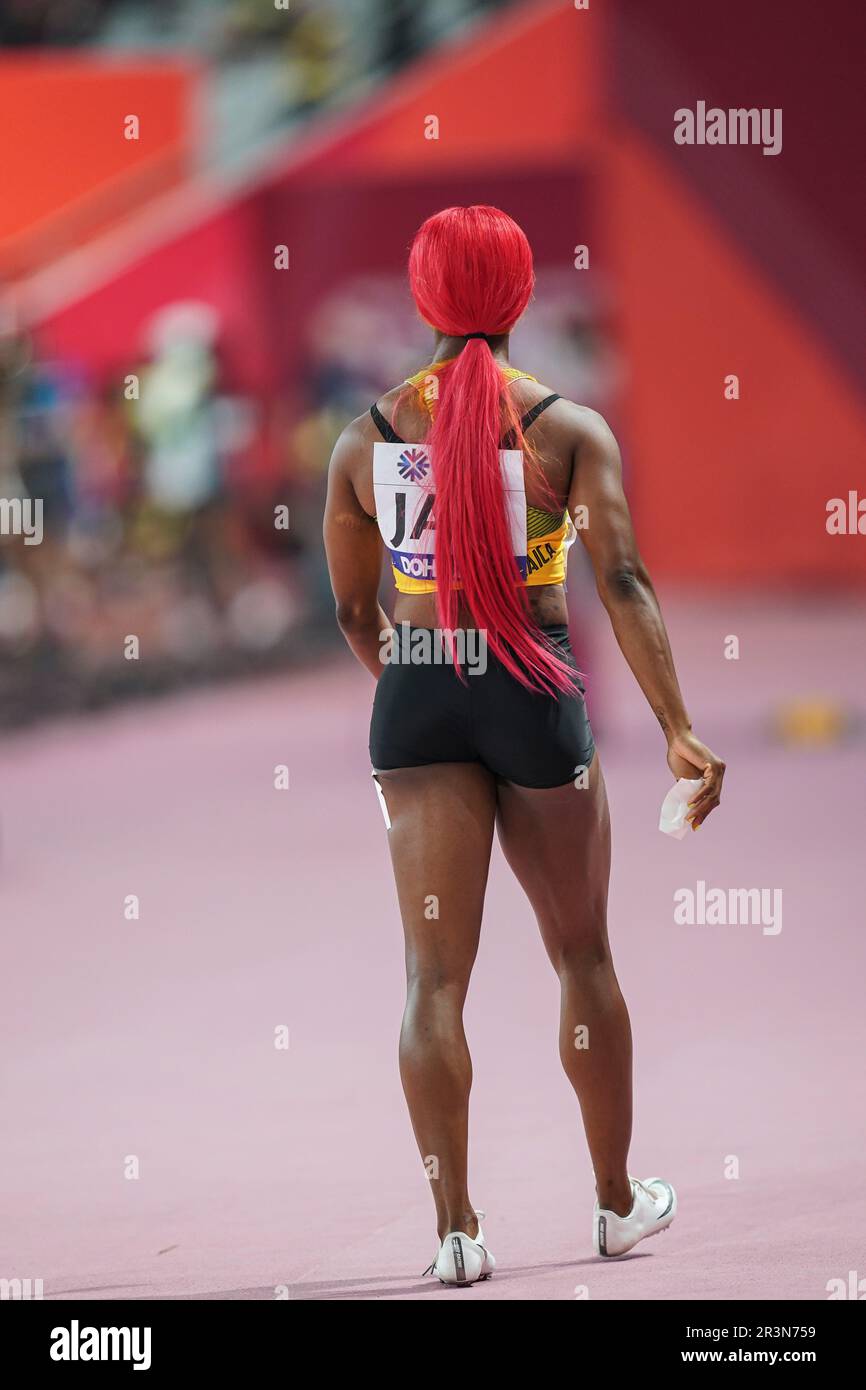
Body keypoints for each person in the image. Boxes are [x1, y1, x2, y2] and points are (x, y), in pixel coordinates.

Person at [323, 205, 725, 1285]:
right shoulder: (565, 429)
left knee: (430, 981)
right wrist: (678, 731)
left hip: (414, 697)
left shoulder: (363, 437)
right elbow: (624, 581)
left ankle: (454, 1230)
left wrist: (419, 700)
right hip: (532, 693)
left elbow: (356, 617)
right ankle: (612, 1202)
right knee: (581, 957)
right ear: (521, 298)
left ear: (419, 301)